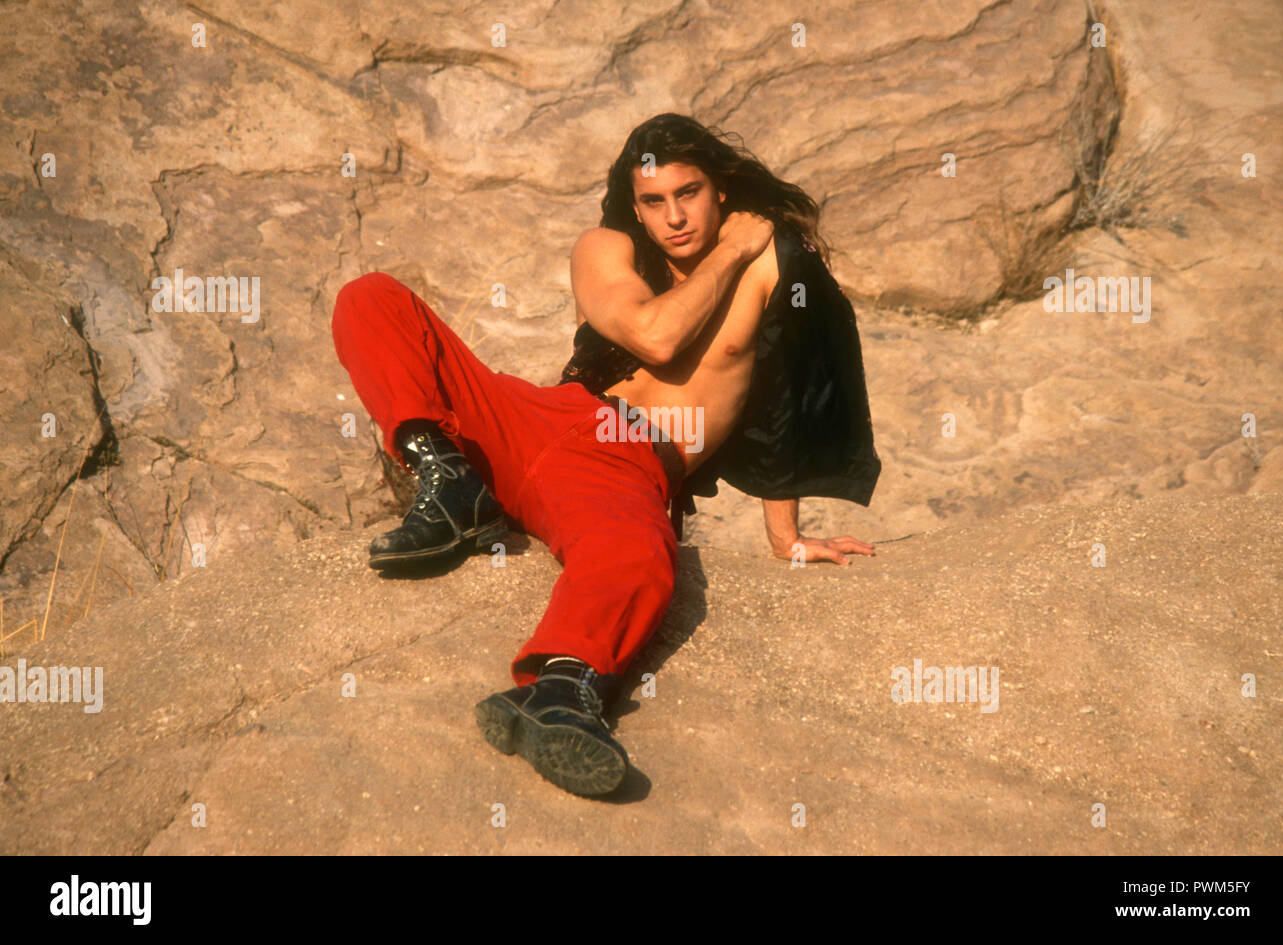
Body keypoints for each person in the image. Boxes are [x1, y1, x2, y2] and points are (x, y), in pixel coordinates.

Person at [330, 113, 881, 797]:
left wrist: (786, 537)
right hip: (537, 416)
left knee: (637, 553)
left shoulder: (778, 266)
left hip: (627, 464)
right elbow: (656, 334)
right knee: (371, 298)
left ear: (721, 192)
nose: (675, 216)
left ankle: (560, 695)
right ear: (635, 207)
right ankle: (447, 480)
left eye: (690, 192)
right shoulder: (605, 248)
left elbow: (790, 398)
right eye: (654, 201)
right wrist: (731, 253)